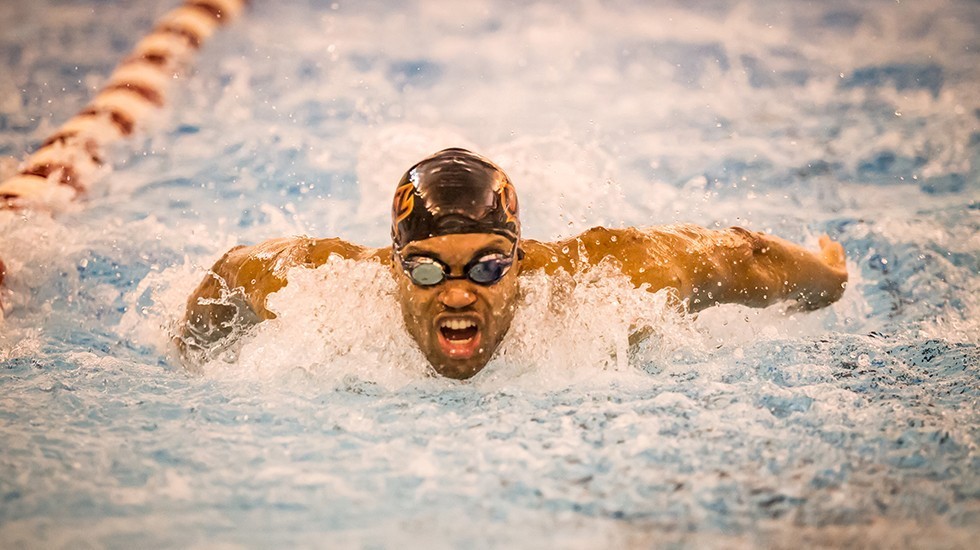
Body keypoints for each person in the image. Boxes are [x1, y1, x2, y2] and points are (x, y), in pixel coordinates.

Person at [180, 148, 848, 379]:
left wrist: (825, 279)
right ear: (393, 267)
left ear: (521, 260)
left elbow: (737, 259)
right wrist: (189, 354)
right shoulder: (321, 286)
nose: (458, 294)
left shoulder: (603, 282)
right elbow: (233, 270)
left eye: (487, 268)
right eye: (428, 270)